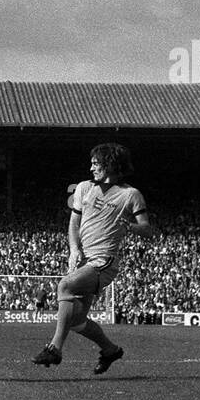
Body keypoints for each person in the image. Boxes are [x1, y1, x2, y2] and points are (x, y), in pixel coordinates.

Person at [33, 143, 154, 373]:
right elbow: (73, 223)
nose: (91, 168)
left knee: (65, 286)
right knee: (77, 320)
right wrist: (73, 249)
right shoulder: (83, 188)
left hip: (103, 261)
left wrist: (130, 226)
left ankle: (54, 349)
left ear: (109, 165)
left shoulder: (130, 195)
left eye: (96, 163)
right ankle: (110, 350)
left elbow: (147, 230)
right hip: (84, 259)